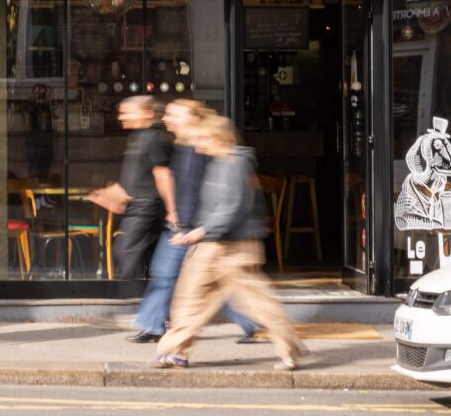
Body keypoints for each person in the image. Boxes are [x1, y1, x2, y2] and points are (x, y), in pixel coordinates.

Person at [154, 115, 307, 370]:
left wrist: (201, 231)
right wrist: (194, 230)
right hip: (217, 244)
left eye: (202, 138)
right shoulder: (220, 162)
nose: (197, 143)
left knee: (253, 302)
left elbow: (232, 207)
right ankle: (176, 350)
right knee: (193, 299)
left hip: (231, 247)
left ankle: (290, 350)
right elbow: (215, 207)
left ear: (216, 138)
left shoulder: (233, 163)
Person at [129, 100, 258, 344]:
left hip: (196, 227)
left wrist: (193, 226)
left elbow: (208, 191)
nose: (166, 118)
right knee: (165, 275)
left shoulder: (202, 147)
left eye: (173, 114)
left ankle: (250, 321)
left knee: (213, 283)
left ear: (192, 118)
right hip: (184, 225)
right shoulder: (181, 145)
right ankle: (154, 326)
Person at [109, 96, 175, 280]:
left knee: (125, 250)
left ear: (146, 114)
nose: (121, 117)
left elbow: (163, 174)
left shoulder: (155, 138)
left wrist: (172, 210)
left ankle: (127, 297)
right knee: (134, 251)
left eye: (126, 113)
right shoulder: (137, 136)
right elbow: (136, 172)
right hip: (137, 204)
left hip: (146, 204)